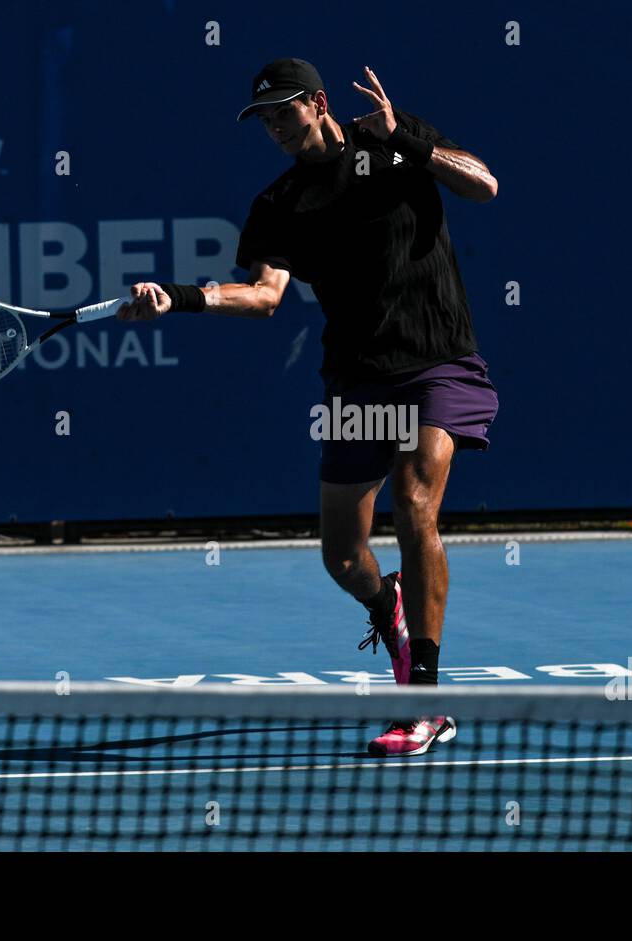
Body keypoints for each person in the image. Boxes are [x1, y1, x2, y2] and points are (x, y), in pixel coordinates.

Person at [119, 58, 499, 756]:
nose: (274, 126)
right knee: (343, 556)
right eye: (264, 119)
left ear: (319, 104)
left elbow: (484, 184)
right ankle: (388, 606)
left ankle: (424, 703)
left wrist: (407, 141)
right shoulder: (280, 204)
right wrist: (180, 297)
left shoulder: (392, 143)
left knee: (415, 503)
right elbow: (264, 296)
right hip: (357, 380)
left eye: (284, 110)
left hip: (437, 360)